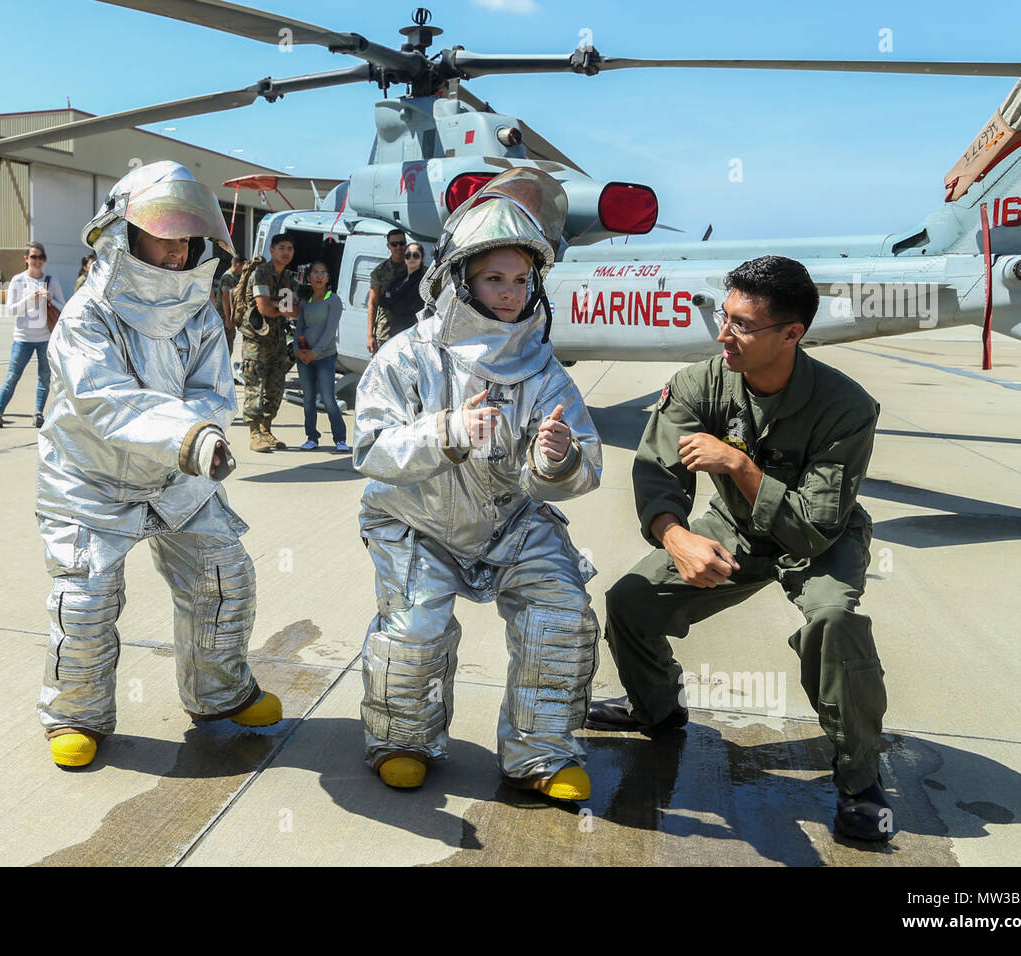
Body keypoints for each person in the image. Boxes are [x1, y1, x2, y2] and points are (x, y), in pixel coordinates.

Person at [587, 255, 891, 841]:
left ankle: (859, 778)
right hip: (734, 525)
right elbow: (657, 470)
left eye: (742, 325)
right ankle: (657, 709)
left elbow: (814, 525)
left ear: (791, 333)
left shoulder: (847, 408)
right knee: (630, 600)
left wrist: (742, 467)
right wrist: (676, 537)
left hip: (818, 537)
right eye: (724, 318)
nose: (724, 334)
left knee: (833, 619)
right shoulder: (704, 380)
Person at [353, 168, 603, 802]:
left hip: (508, 520)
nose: (511, 292)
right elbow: (371, 450)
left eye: (521, 280)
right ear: (460, 278)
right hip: (416, 520)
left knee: (563, 612)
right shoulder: (406, 356)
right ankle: (403, 739)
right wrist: (448, 432)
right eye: (494, 278)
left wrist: (555, 461)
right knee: (415, 629)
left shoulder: (543, 367)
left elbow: (585, 466)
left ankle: (541, 752)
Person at [34, 160, 281, 769]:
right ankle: (77, 713)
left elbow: (213, 389)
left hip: (178, 475)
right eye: (163, 235)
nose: (178, 251)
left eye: (186, 238)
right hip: (92, 478)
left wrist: (197, 435)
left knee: (224, 579)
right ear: (125, 234)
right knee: (85, 601)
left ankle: (219, 693)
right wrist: (188, 434)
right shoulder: (88, 315)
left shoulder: (199, 311)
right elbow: (104, 400)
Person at [0, 242, 66, 429]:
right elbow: (11, 310)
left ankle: (38, 413)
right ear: (26, 259)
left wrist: (50, 299)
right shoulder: (18, 280)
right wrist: (31, 299)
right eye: (33, 257)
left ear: (44, 260)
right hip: (23, 338)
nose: (37, 261)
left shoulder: (51, 281)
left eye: (40, 257)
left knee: (44, 378)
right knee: (12, 376)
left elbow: (64, 308)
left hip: (45, 338)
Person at [240, 234, 298, 452]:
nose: (286, 252)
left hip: (278, 340)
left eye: (290, 248)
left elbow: (293, 309)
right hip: (256, 340)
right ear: (272, 250)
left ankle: (266, 429)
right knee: (255, 386)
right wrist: (278, 305)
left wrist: (277, 305)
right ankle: (254, 433)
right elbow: (264, 309)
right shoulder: (261, 273)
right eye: (282, 247)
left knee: (275, 387)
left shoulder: (288, 278)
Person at [293, 260, 347, 451]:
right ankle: (312, 437)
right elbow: (299, 328)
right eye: (315, 273)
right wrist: (298, 350)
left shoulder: (333, 300)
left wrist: (315, 353)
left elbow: (329, 331)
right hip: (304, 359)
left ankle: (340, 439)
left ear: (328, 278)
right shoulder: (305, 303)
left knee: (328, 399)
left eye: (323, 273)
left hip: (325, 357)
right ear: (309, 277)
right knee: (308, 400)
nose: (319, 276)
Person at [365, 228, 408, 354]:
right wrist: (369, 335)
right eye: (394, 244)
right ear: (388, 246)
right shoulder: (379, 272)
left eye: (402, 243)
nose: (399, 247)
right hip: (386, 331)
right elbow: (372, 303)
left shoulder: (416, 268)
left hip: (409, 331)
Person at [377, 242, 426, 340]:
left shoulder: (422, 281)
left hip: (409, 335)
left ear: (422, 258)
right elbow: (382, 301)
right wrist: (393, 300)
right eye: (408, 255)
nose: (411, 258)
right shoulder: (399, 279)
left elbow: (404, 307)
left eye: (415, 255)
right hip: (394, 332)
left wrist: (391, 297)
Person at [215, 254, 244, 357]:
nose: (243, 270)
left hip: (226, 315)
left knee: (228, 344)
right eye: (243, 267)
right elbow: (225, 298)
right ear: (237, 265)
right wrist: (228, 319)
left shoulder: (233, 276)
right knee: (226, 347)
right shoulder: (228, 277)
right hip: (223, 316)